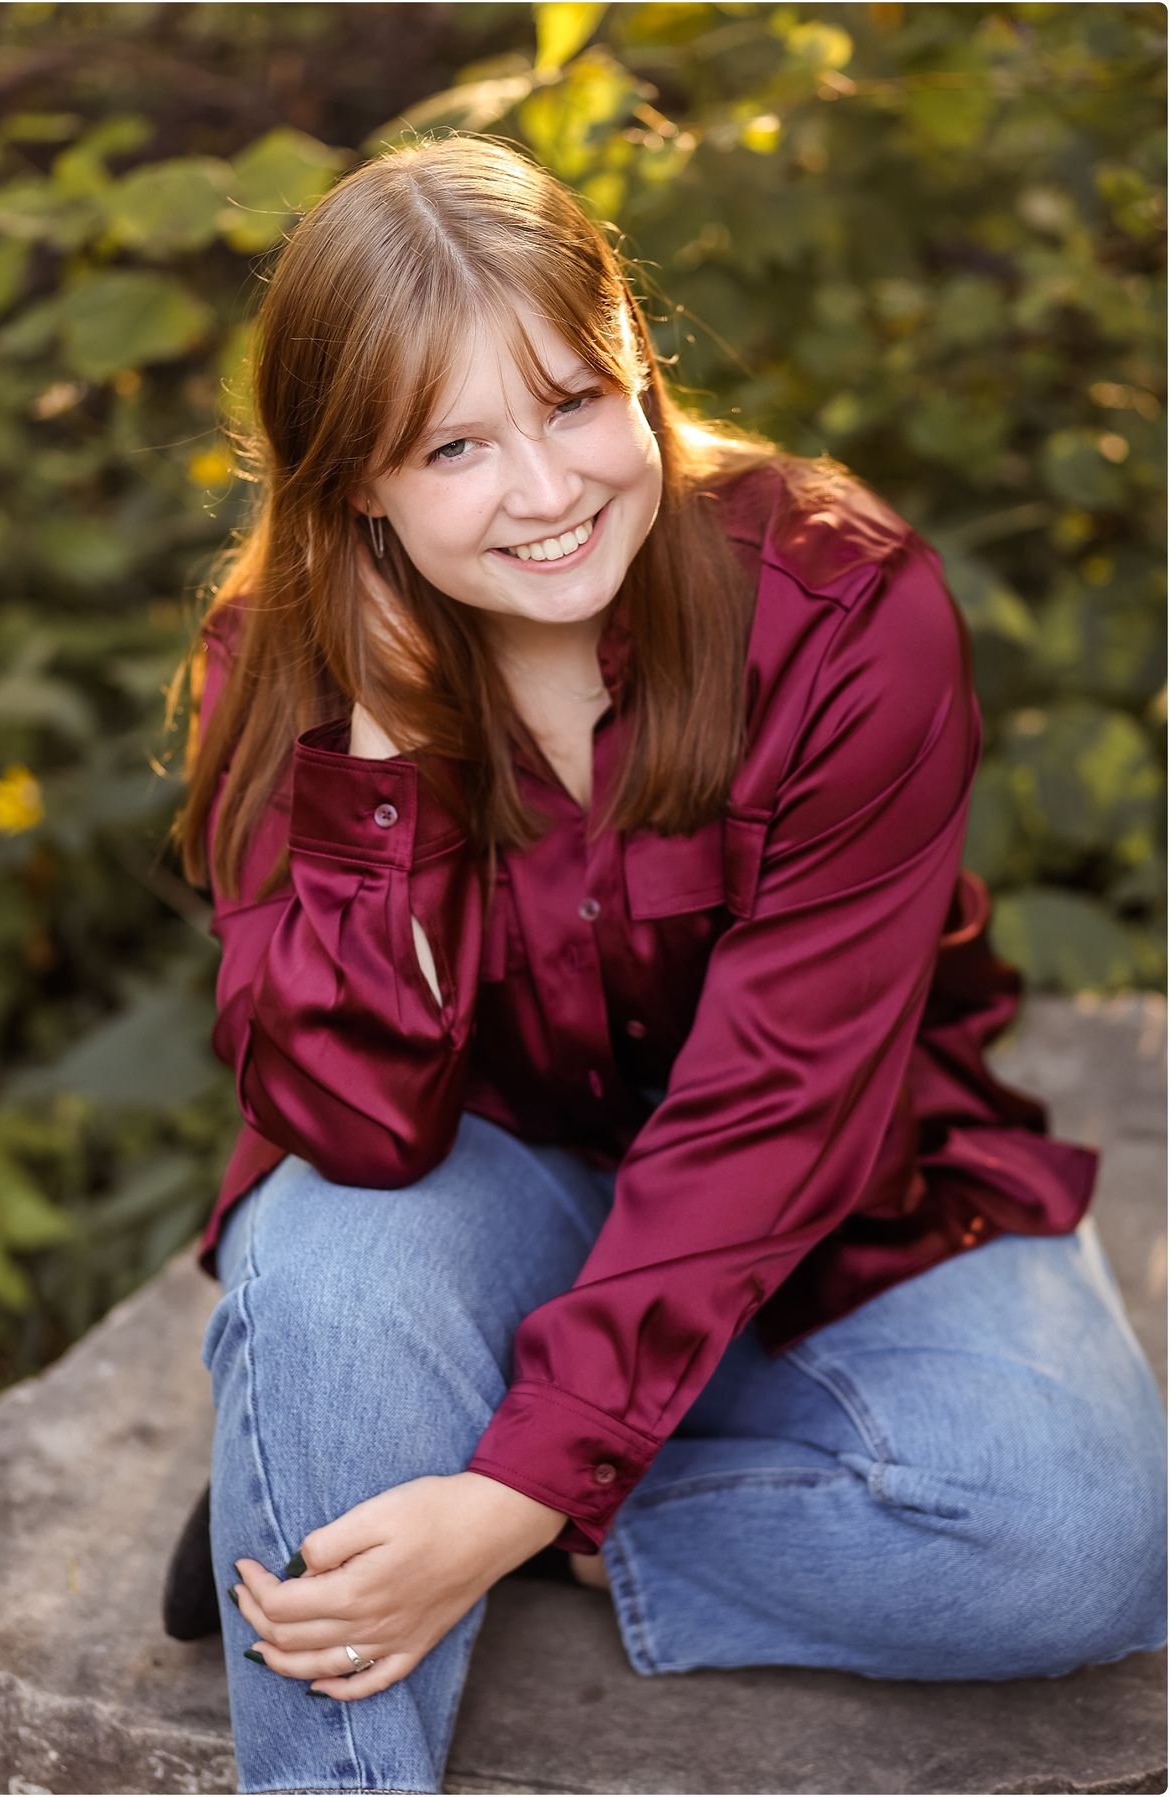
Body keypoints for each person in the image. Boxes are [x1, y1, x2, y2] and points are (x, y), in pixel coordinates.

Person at [171, 134, 1166, 1796]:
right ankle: (374, 1485)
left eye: (575, 400)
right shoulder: (276, 665)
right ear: (359, 483)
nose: (550, 490)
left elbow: (781, 1106)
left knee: (1078, 1542)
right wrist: (391, 753)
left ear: (637, 356)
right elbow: (348, 1120)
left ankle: (433, 1499)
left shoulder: (846, 614)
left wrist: (510, 1500)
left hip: (842, 1188)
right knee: (324, 1276)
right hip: (485, 1183)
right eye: (456, 446)